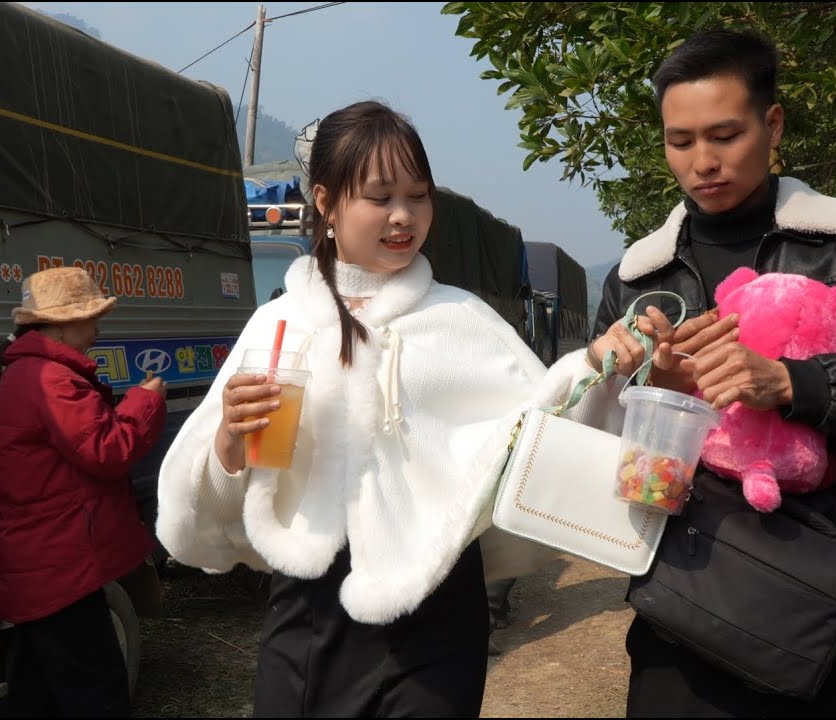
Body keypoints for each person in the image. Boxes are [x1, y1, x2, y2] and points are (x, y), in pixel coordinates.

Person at [155, 100, 593, 718]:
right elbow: (212, 505)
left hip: (437, 611)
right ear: (326, 203)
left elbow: (548, 431)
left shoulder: (462, 320)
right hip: (308, 610)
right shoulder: (280, 325)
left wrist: (594, 369)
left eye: (418, 196)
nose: (403, 216)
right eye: (380, 197)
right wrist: (230, 439)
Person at [586, 29, 836, 718]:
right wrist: (646, 394)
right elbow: (600, 448)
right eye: (680, 141)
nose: (703, 161)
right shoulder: (638, 280)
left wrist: (797, 383)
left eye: (725, 135)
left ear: (774, 124)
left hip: (807, 604)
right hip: (678, 608)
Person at [0, 266, 168, 717]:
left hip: (43, 563)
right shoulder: (51, 379)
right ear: (62, 323)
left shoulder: (28, 372)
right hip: (61, 568)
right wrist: (145, 402)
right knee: (97, 694)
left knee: (38, 693)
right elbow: (108, 450)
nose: (99, 327)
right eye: (92, 316)